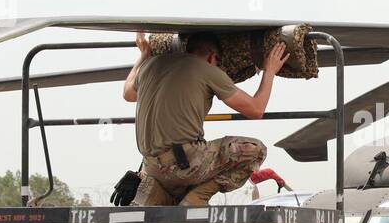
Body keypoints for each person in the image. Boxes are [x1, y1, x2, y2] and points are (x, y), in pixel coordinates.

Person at [123, 30, 288, 206]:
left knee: (156, 211)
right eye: (218, 62)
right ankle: (197, 198)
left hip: (152, 168)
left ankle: (167, 196)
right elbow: (256, 109)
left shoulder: (150, 65)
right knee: (256, 151)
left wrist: (144, 56)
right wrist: (269, 71)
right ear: (211, 56)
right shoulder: (208, 70)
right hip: (185, 163)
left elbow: (128, 94)